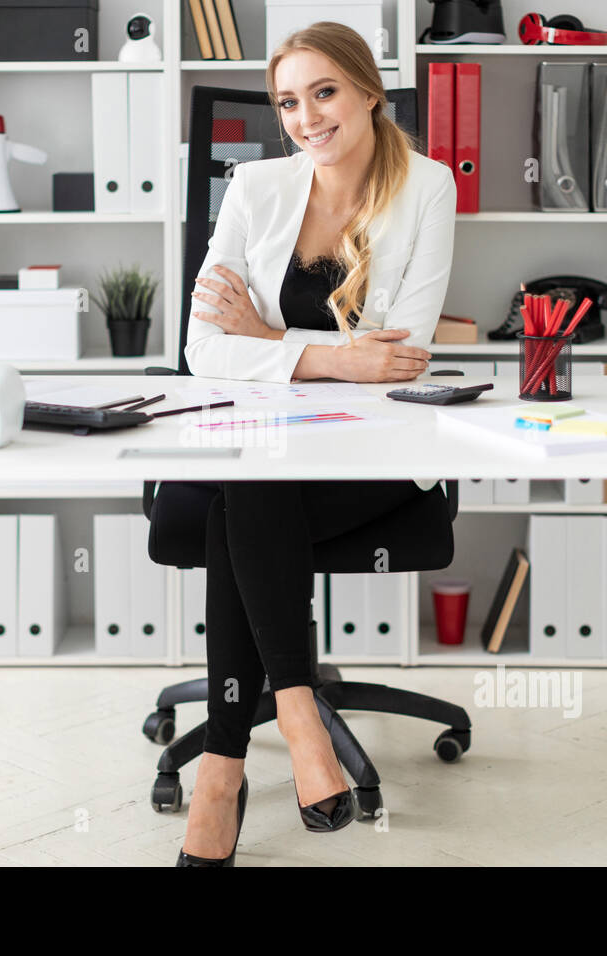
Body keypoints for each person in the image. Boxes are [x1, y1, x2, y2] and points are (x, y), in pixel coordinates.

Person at [175, 22, 457, 866]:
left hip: (369, 459)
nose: (306, 118)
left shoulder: (428, 187)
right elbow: (202, 350)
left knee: (244, 488)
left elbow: (397, 357)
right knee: (256, 472)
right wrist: (331, 356)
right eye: (288, 101)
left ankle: (223, 774)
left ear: (371, 91)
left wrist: (268, 338)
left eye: (324, 92)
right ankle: (294, 717)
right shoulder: (257, 188)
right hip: (267, 448)